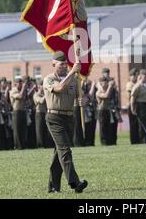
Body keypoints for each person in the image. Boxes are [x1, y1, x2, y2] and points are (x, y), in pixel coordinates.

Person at [43, 51, 88, 193]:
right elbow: (59, 88)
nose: (63, 66)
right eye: (60, 64)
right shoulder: (49, 79)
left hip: (69, 117)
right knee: (65, 150)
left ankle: (53, 186)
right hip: (54, 118)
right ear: (53, 64)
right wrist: (72, 73)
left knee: (59, 153)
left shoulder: (74, 80)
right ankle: (75, 182)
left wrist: (83, 100)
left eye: (65, 64)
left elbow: (80, 97)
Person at [130, 69, 146, 144]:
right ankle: (143, 140)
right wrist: (132, 108)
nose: (145, 77)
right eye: (144, 75)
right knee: (142, 124)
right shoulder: (137, 85)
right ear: (140, 76)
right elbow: (133, 97)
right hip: (141, 105)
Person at [96, 77, 117, 145]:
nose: (106, 83)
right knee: (103, 127)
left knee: (109, 127)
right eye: (104, 82)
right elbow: (106, 96)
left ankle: (110, 142)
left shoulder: (109, 90)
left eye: (106, 82)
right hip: (101, 110)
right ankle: (104, 142)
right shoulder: (98, 92)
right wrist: (110, 86)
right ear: (101, 83)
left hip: (108, 110)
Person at [33, 81, 54, 148]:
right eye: (42, 85)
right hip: (39, 114)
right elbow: (41, 101)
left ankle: (46, 145)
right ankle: (40, 145)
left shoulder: (44, 94)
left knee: (46, 130)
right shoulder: (36, 95)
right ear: (39, 86)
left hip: (45, 113)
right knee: (39, 130)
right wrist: (46, 94)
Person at [10, 78, 28, 150]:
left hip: (23, 111)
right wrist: (23, 88)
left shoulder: (22, 91)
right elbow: (20, 96)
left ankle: (23, 145)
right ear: (15, 84)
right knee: (17, 130)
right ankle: (17, 146)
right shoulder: (13, 91)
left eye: (21, 83)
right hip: (16, 112)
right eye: (19, 83)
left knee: (23, 129)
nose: (20, 85)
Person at [126, 68, 140, 144]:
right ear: (131, 76)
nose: (136, 77)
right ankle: (134, 141)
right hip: (132, 106)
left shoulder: (136, 84)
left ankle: (138, 139)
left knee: (137, 125)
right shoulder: (130, 84)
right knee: (133, 124)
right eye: (135, 75)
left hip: (137, 105)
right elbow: (129, 96)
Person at [82, 79, 97, 147]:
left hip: (92, 110)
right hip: (86, 111)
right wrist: (93, 85)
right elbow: (89, 96)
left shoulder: (94, 89)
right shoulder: (84, 91)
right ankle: (87, 143)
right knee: (87, 128)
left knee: (92, 127)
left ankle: (91, 142)